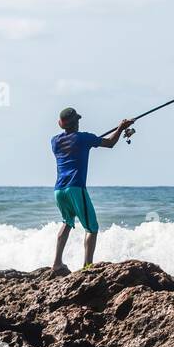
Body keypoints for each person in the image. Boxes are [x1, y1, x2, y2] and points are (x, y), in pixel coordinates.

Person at [50, 107, 133, 273]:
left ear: (61, 124)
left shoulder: (55, 141)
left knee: (67, 223)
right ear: (76, 123)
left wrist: (91, 139)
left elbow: (74, 142)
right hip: (75, 188)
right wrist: (121, 128)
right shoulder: (84, 138)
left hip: (59, 190)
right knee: (92, 228)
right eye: (78, 120)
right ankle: (87, 268)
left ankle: (57, 263)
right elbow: (110, 143)